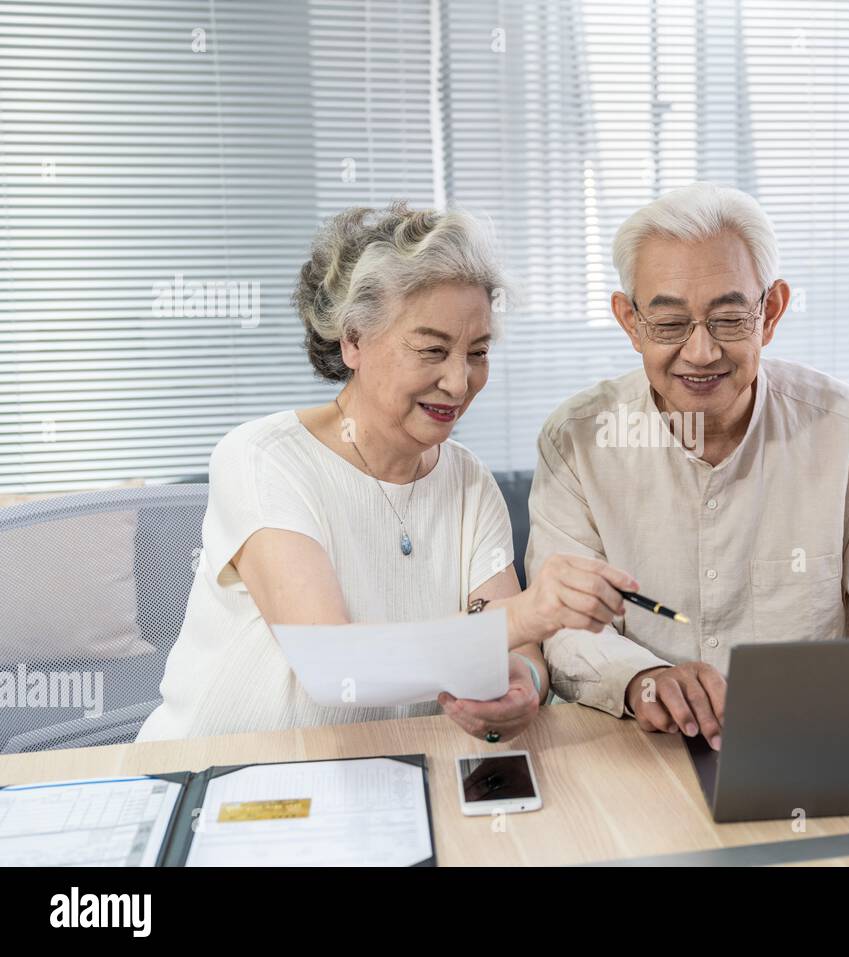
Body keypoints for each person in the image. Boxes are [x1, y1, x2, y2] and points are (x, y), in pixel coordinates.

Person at [137, 203, 635, 744]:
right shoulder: (264, 458)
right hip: (220, 779)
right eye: (431, 350)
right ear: (353, 340)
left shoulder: (469, 483)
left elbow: (515, 649)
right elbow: (331, 666)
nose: (458, 381)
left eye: (478, 352)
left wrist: (525, 685)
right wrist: (525, 616)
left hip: (391, 774)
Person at [526, 183, 849, 751]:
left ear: (771, 311)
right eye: (669, 323)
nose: (701, 352)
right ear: (630, 322)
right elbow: (562, 622)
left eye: (729, 319)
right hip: (639, 751)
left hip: (817, 745)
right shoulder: (579, 439)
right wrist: (642, 681)